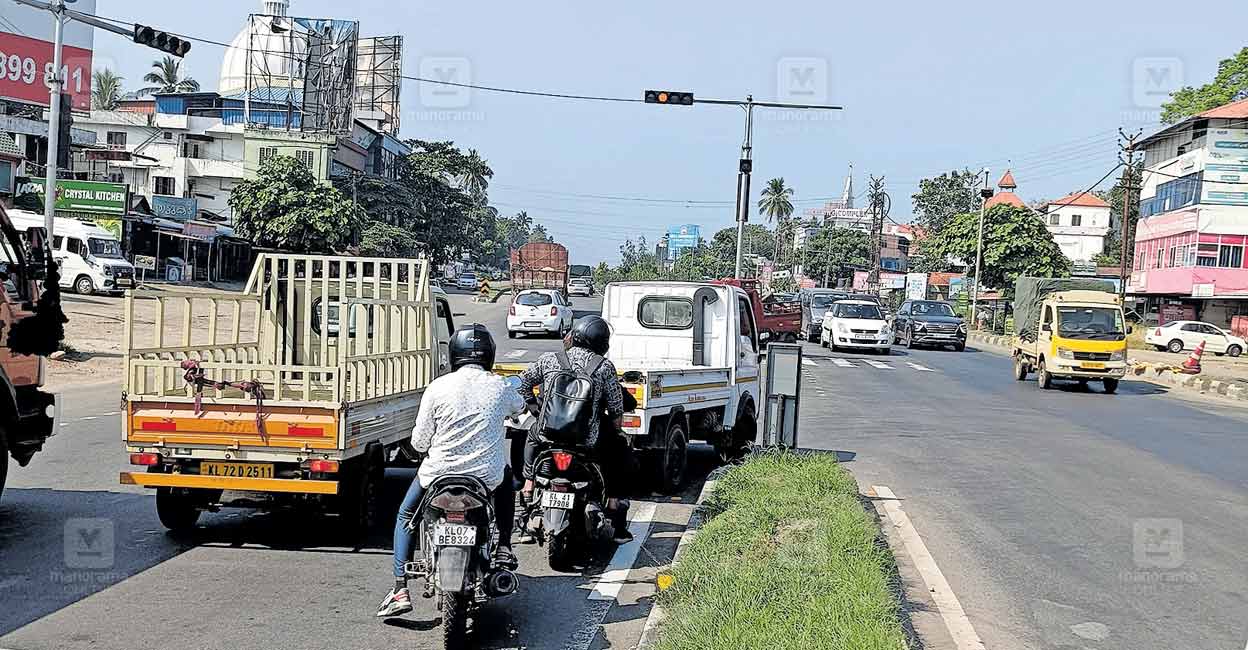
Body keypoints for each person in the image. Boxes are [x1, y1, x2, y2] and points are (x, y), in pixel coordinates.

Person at [376, 323, 525, 618]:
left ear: (454, 354)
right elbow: (521, 413)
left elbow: (419, 443)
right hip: (485, 477)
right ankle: (505, 546)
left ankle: (400, 588)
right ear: (490, 355)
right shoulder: (500, 386)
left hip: (438, 474)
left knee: (406, 515)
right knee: (507, 479)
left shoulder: (438, 387)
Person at [517, 316, 634, 543]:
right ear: (603, 343)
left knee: (531, 436)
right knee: (620, 449)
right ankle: (613, 510)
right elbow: (617, 408)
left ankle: (528, 485)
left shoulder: (550, 359)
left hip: (547, 435)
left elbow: (522, 383)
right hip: (586, 441)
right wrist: (616, 429)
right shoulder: (603, 366)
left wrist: (536, 409)